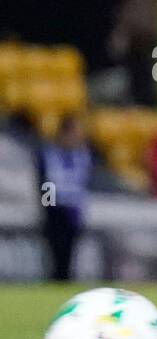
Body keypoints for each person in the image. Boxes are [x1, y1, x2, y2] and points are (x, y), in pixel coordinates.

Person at [38, 115, 93, 281]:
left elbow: (83, 183)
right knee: (55, 253)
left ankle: (66, 281)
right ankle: (55, 280)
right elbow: (44, 182)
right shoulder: (49, 155)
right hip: (55, 210)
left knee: (71, 254)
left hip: (74, 210)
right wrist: (49, 209)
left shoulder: (83, 155)